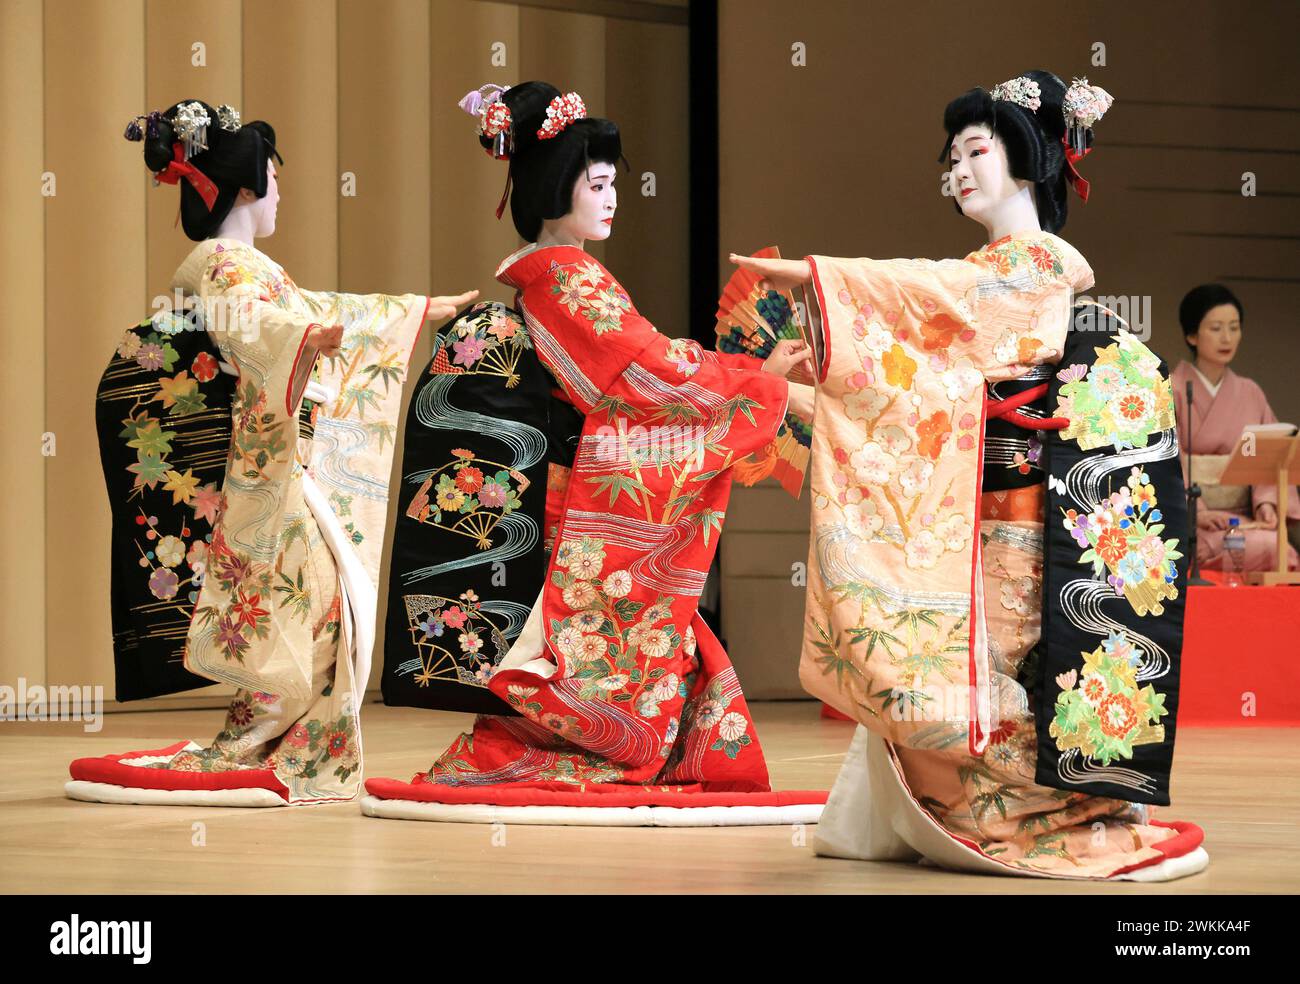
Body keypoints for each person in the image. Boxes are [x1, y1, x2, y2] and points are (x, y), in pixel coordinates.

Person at [733, 72, 1208, 878]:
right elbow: (915, 389)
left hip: (1023, 517)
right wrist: (805, 389)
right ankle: (961, 806)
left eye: (975, 150)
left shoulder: (1032, 271)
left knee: (1004, 676)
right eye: (948, 156)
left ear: (1027, 159)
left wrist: (822, 279)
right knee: (971, 673)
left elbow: (930, 293)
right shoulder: (982, 277)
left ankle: (1036, 806)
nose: (955, 169)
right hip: (979, 513)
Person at [363, 82, 825, 823]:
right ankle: (597, 746)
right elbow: (646, 370)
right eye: (599, 184)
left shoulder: (562, 273)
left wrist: (749, 380)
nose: (613, 199)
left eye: (614, 183)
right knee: (606, 639)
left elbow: (643, 368)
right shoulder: (565, 278)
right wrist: (759, 390)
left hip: (575, 478)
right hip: (578, 491)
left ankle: (595, 742)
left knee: (615, 637)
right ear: (556, 188)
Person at [71, 99, 475, 805]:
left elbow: (309, 306)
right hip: (267, 465)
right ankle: (266, 744)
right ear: (251, 187)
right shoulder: (226, 266)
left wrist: (412, 309)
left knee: (312, 609)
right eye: (276, 180)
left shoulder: (242, 264)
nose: (282, 193)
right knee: (310, 607)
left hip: (278, 462)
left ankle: (275, 742)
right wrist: (303, 339)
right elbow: (255, 324)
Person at [1171, 283, 1300, 573]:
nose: (1227, 337)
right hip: (1194, 523)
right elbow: (1168, 458)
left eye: (1234, 327)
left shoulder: (1250, 392)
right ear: (1192, 335)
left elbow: (1271, 455)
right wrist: (1197, 512)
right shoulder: (1173, 389)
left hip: (1244, 520)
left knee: (1278, 549)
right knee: (1257, 548)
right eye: (1216, 328)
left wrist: (1267, 504)